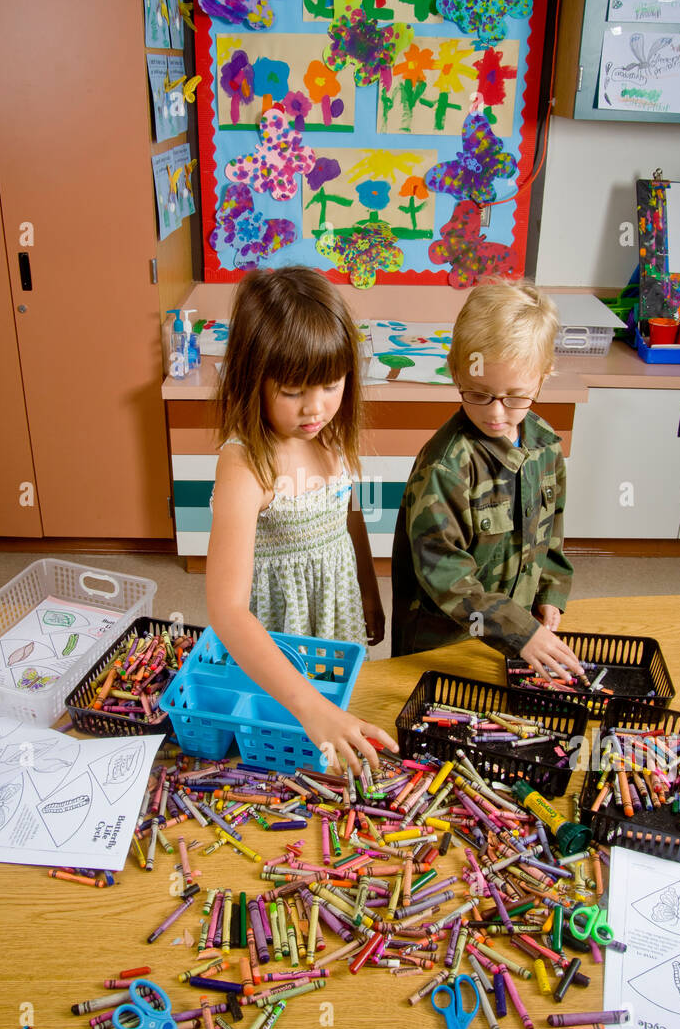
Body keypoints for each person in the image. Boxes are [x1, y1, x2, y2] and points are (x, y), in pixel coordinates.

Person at [207, 266, 397, 775]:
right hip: (278, 643)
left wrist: (370, 592)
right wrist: (309, 706)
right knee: (284, 757)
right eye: (293, 391)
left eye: (331, 386)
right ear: (253, 379)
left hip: (336, 615)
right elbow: (226, 610)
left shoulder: (330, 431)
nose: (316, 408)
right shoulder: (246, 463)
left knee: (342, 741)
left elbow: (347, 513)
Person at [391, 277, 586, 682]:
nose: (496, 413)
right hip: (444, 645)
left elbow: (551, 532)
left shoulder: (546, 445)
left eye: (515, 396)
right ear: (455, 371)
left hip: (514, 640)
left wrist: (551, 592)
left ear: (543, 377)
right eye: (478, 393)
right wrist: (517, 630)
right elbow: (444, 575)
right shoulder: (445, 467)